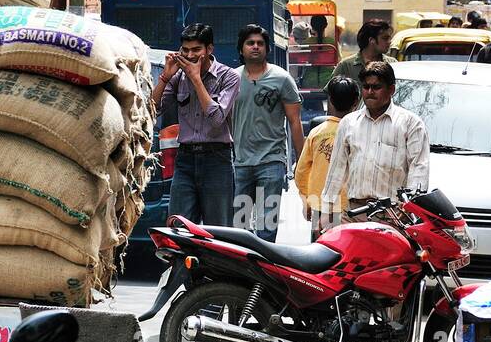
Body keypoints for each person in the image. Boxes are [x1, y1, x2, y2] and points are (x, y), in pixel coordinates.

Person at [320, 61, 430, 228]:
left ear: (391, 90)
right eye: (366, 87)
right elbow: (337, 169)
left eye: (376, 87)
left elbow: (419, 169)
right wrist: (325, 212)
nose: (370, 92)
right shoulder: (349, 123)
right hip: (354, 213)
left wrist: (409, 211)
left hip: (394, 216)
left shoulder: (410, 124)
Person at [153, 24, 241, 227]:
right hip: (185, 159)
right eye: (185, 50)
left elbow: (217, 118)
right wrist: (165, 77)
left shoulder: (228, 77)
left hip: (217, 160)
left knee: (218, 230)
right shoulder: (177, 78)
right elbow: (153, 110)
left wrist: (196, 79)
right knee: (177, 227)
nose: (190, 55)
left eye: (196, 50)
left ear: (209, 50)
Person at [231, 25, 303, 242]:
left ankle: (264, 273)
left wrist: (302, 161)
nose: (255, 47)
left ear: (267, 49)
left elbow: (294, 121)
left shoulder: (281, 79)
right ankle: (242, 274)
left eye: (260, 43)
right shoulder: (232, 79)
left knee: (267, 229)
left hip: (271, 162)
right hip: (240, 164)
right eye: (250, 43)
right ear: (241, 49)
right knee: (239, 228)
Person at [295, 76, 359, 238]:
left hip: (320, 204)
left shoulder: (316, 133)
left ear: (329, 99)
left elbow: (301, 171)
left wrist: (307, 200)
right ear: (356, 102)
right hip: (349, 206)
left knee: (320, 253)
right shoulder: (359, 133)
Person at [332, 19, 392, 86]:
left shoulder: (392, 64)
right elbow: (331, 92)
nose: (389, 41)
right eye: (385, 38)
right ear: (371, 40)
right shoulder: (346, 66)